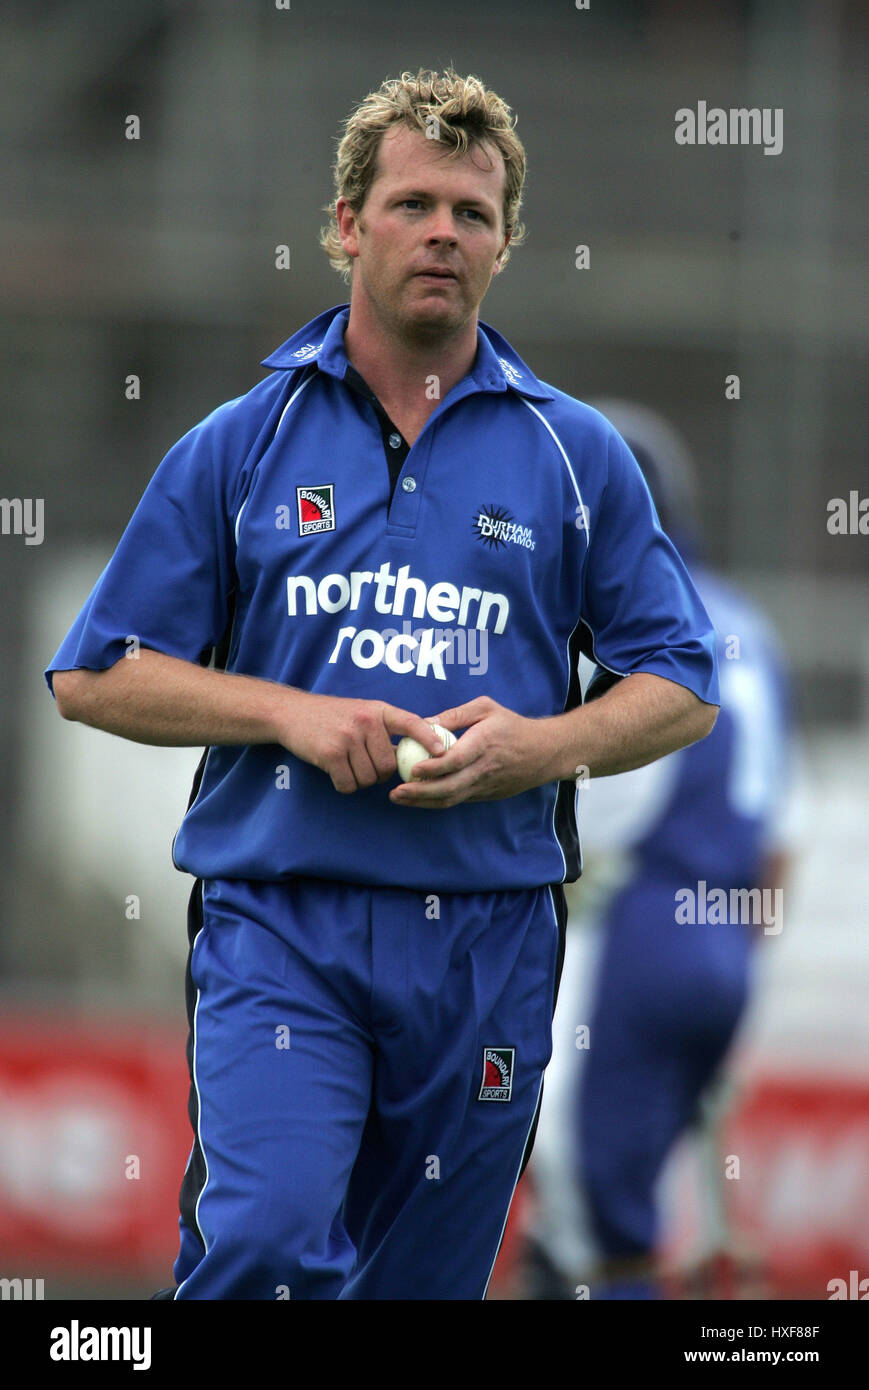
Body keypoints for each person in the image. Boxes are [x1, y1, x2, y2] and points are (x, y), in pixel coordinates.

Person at [45, 70, 719, 1301]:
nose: (442, 234)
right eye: (413, 204)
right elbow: (94, 674)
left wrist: (540, 744)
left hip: (489, 942)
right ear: (349, 223)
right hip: (283, 924)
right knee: (261, 1246)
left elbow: (680, 682)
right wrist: (289, 714)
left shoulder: (576, 456)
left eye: (471, 212)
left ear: (504, 241)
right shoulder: (240, 442)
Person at [523, 400, 799, 1300]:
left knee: (588, 1209)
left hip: (640, 924)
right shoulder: (747, 625)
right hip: (724, 933)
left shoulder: (637, 622)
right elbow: (780, 846)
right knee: (638, 1198)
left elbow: (595, 815)